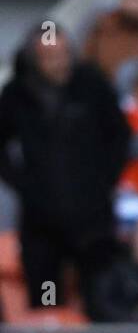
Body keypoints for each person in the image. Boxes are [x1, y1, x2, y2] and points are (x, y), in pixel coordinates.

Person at [0, 28, 129, 312]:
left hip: (91, 213)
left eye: (63, 55)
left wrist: (105, 178)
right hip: (42, 217)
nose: (60, 64)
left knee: (98, 290)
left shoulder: (91, 85)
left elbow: (119, 135)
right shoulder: (17, 94)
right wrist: (23, 183)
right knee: (47, 292)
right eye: (50, 57)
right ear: (35, 60)